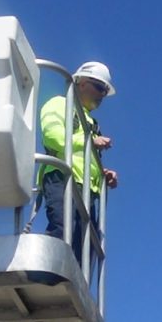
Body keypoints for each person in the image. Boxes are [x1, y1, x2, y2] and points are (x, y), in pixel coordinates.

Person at [40, 62, 119, 259]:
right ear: (82, 82)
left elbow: (86, 158)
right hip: (62, 176)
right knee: (64, 229)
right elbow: (53, 136)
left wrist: (103, 175)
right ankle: (49, 281)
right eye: (100, 87)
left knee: (85, 246)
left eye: (105, 90)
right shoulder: (61, 103)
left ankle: (70, 284)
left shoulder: (91, 122)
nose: (102, 95)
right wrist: (90, 142)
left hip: (86, 189)